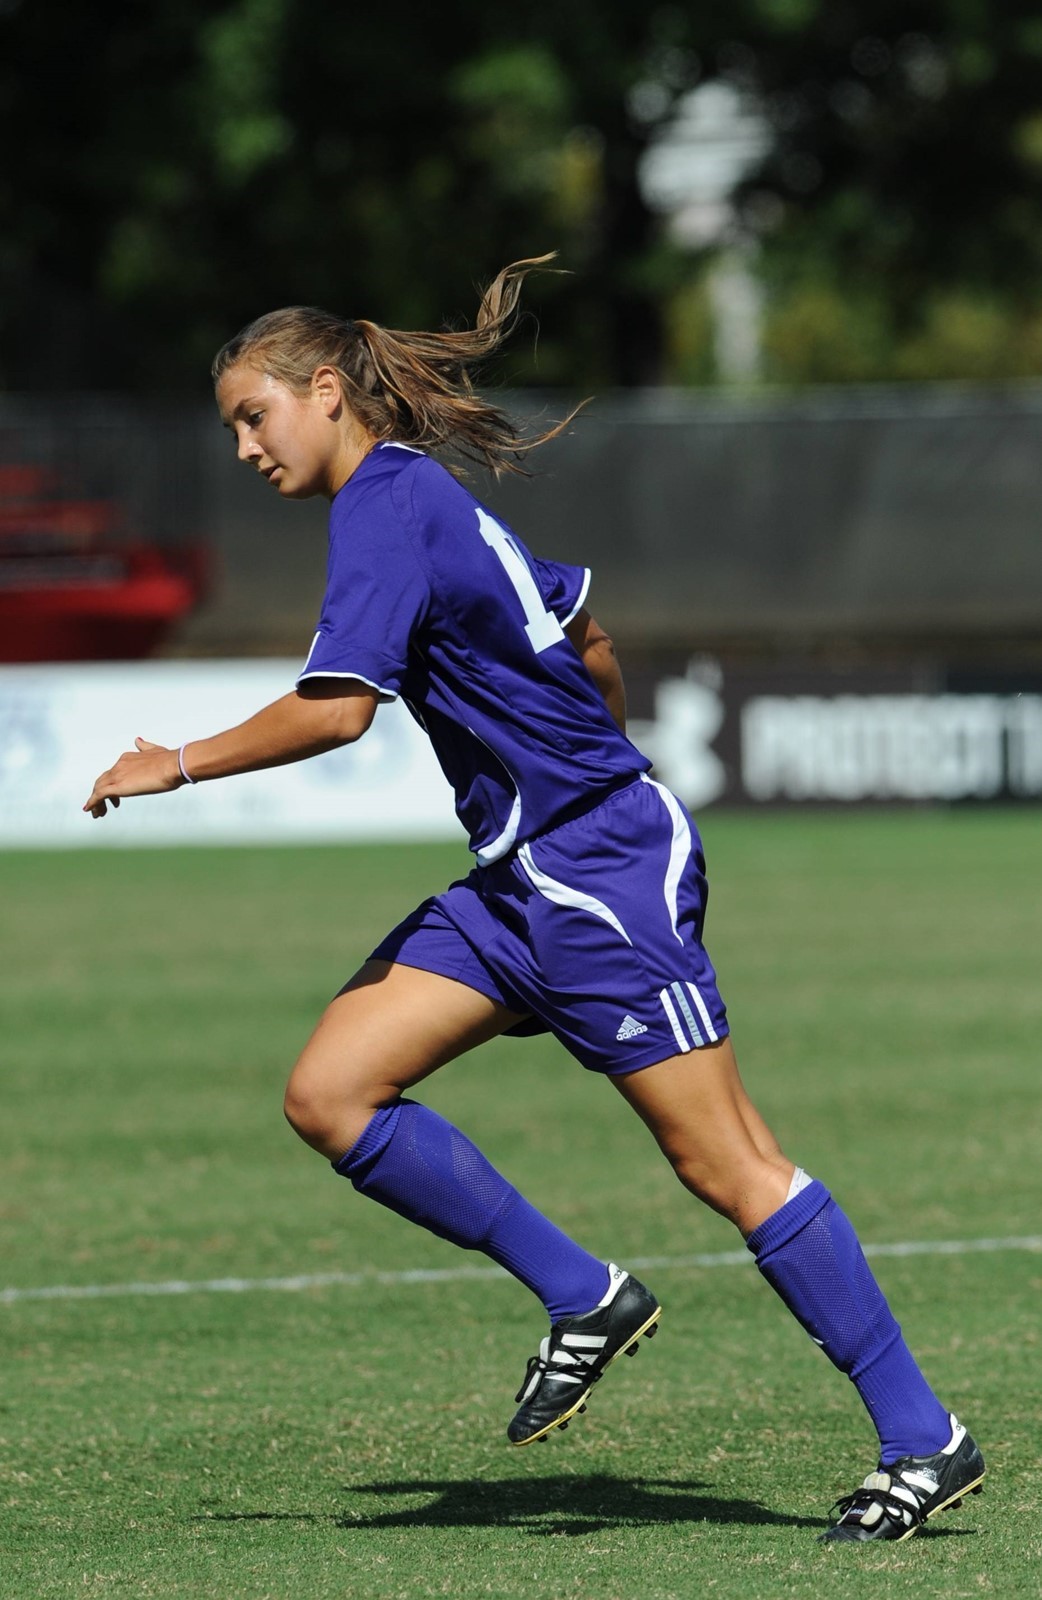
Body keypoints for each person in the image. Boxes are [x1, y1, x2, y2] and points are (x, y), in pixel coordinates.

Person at [84, 256, 984, 1543]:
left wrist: (170, 762)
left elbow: (336, 712)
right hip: (522, 879)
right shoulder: (413, 499)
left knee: (725, 1163)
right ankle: (584, 1293)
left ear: (325, 392)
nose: (242, 446)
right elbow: (584, 627)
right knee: (331, 1093)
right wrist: (584, 744)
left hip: (597, 874)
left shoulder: (387, 509)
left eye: (252, 415)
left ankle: (922, 1436)